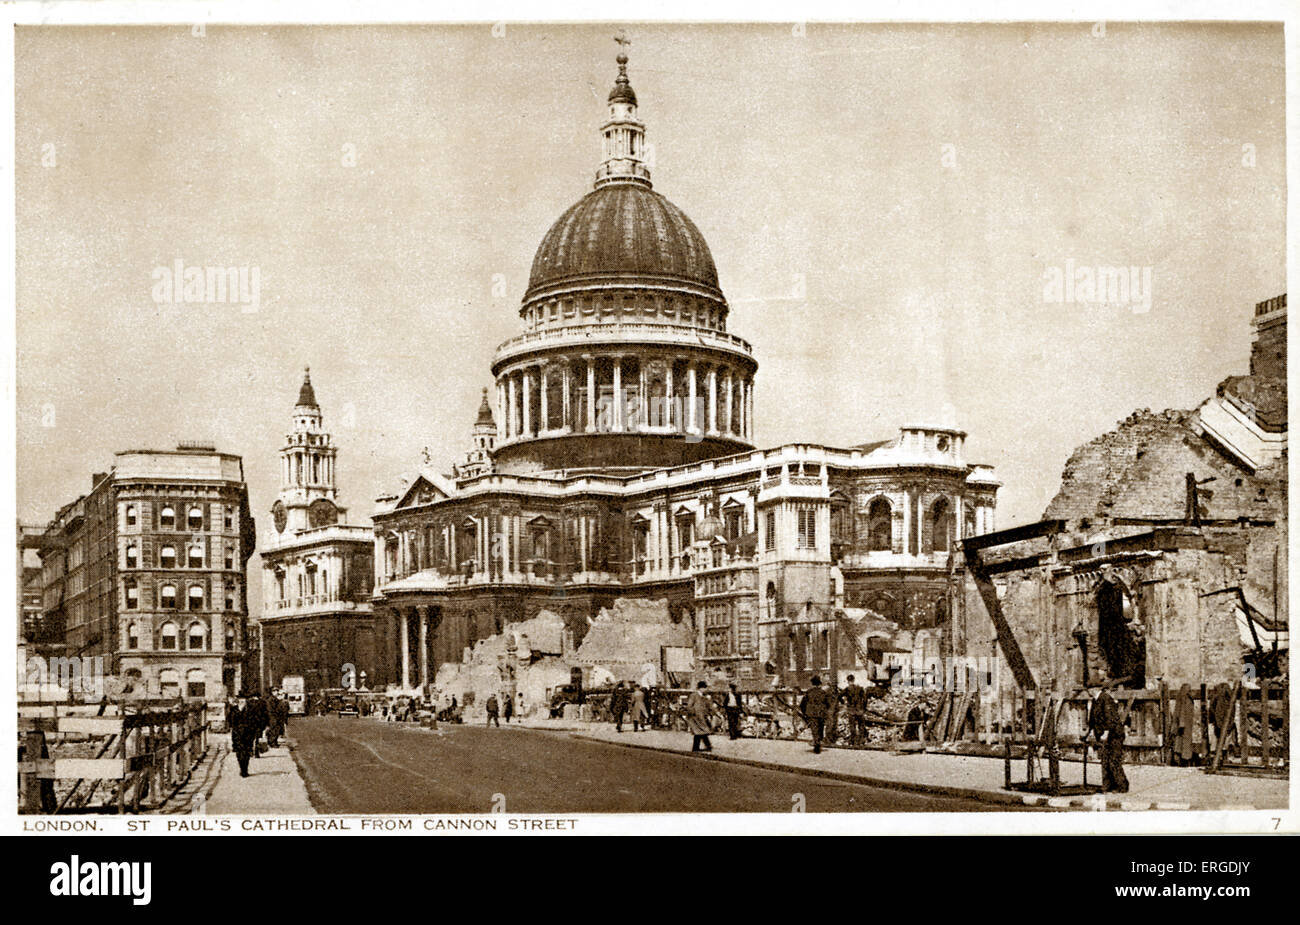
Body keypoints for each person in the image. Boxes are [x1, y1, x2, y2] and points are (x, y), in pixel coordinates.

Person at [1088, 686, 1129, 793]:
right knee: (1105, 760)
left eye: (1089, 689)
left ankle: (1122, 786)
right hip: (1103, 735)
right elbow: (1092, 719)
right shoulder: (1095, 700)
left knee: (1114, 760)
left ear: (1094, 689)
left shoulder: (1106, 699)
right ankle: (1107, 786)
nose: (1088, 692)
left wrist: (1105, 733)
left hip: (1114, 735)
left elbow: (1109, 718)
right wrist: (1090, 732)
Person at [800, 676, 832, 754]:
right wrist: (825, 710)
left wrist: (805, 713)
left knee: (814, 729)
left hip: (811, 713)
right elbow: (828, 703)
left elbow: (802, 704)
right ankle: (818, 741)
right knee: (820, 728)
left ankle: (816, 742)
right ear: (819, 684)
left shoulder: (808, 692)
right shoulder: (823, 692)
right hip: (821, 713)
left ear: (812, 683)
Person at [228, 695, 257, 777]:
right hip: (237, 735)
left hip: (248, 735)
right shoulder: (233, 710)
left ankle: (245, 769)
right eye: (240, 701)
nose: (242, 703)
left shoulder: (250, 710)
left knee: (247, 753)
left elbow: (254, 721)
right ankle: (242, 768)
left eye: (243, 701)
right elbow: (231, 722)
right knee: (239, 753)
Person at [685, 681, 715, 752]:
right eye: (704, 688)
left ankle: (697, 748)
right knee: (701, 731)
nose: (705, 689)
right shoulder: (694, 695)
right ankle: (707, 746)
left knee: (700, 732)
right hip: (695, 717)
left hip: (701, 717)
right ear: (701, 688)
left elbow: (708, 706)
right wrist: (694, 713)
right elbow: (689, 706)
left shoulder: (704, 697)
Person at [839, 674, 868, 746]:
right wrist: (864, 707)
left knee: (852, 726)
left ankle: (853, 741)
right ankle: (861, 741)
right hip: (859, 710)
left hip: (851, 710)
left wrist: (843, 702)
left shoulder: (847, 689)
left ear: (848, 681)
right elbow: (865, 699)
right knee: (861, 726)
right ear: (854, 680)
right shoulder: (860, 688)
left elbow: (839, 696)